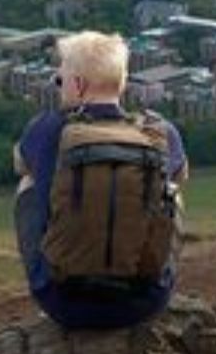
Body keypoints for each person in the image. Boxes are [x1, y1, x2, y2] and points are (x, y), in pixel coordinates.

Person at [13, 30, 188, 330]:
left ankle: (55, 270)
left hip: (64, 304)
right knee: (171, 191)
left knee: (27, 185)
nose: (58, 88)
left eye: (60, 80)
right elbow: (182, 176)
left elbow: (20, 165)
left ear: (78, 85)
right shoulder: (160, 130)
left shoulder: (48, 127)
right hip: (145, 303)